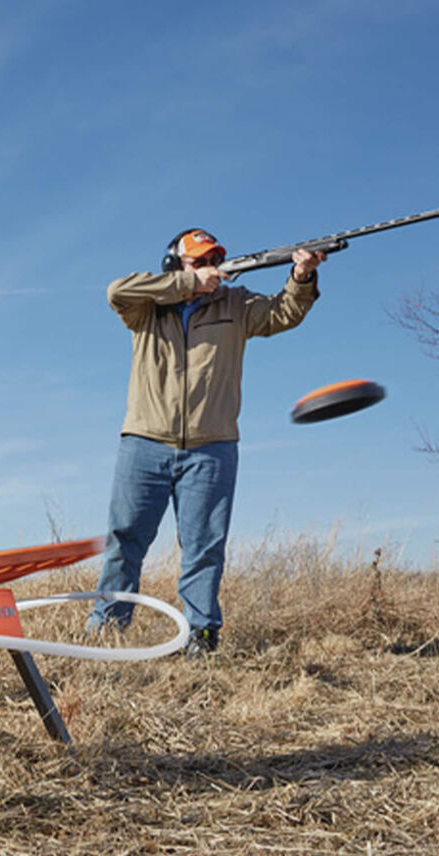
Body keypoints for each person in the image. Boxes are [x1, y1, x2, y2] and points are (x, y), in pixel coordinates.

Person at [88, 228, 324, 655]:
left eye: (213, 260)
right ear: (175, 265)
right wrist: (187, 284)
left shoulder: (236, 304)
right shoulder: (147, 308)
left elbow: (283, 313)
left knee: (203, 548)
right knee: (125, 541)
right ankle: (107, 632)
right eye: (198, 261)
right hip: (144, 442)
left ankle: (201, 636)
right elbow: (115, 291)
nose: (209, 268)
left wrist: (302, 277)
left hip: (212, 447)